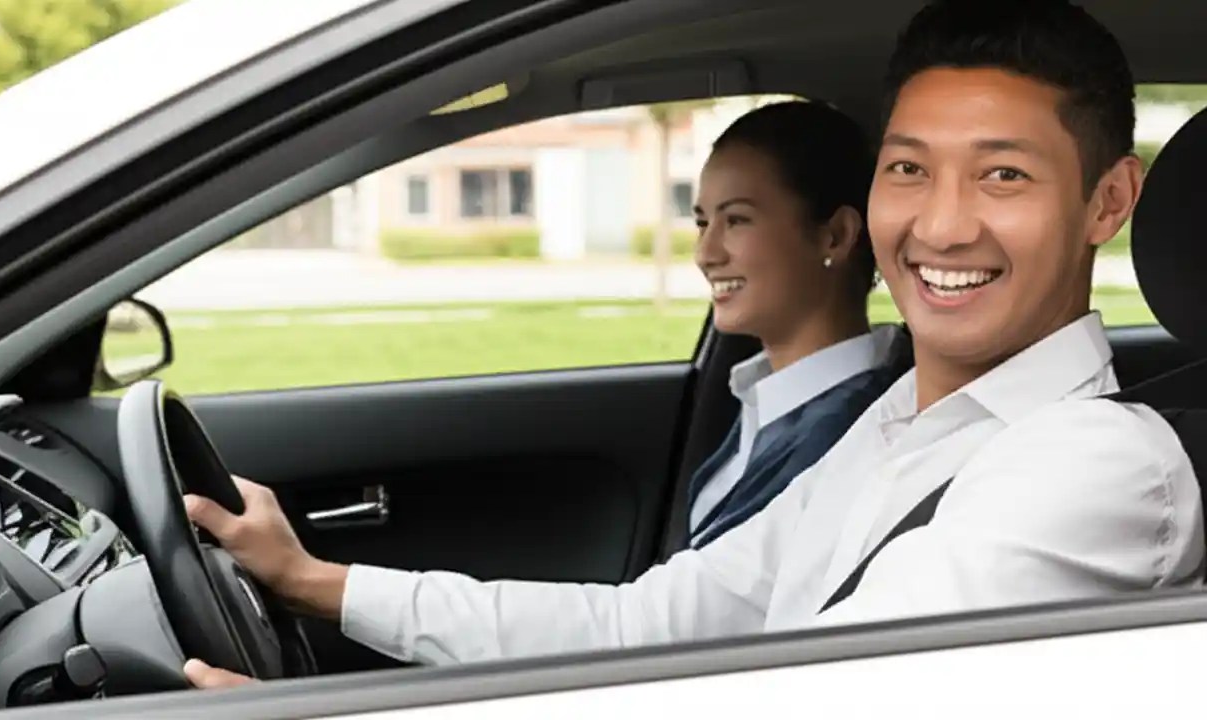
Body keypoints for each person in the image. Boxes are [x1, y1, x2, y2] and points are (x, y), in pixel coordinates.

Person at [183, 0, 1205, 689]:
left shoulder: (1094, 463)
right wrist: (317, 581)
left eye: (1001, 177)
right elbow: (646, 626)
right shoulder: (899, 426)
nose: (938, 226)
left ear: (1105, 201)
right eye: (906, 169)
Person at [683, 100, 907, 550]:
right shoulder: (769, 395)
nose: (706, 253)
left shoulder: (848, 435)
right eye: (704, 222)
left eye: (737, 220)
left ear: (836, 235)